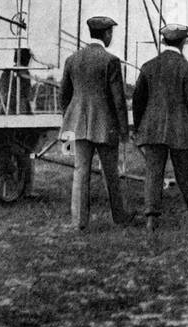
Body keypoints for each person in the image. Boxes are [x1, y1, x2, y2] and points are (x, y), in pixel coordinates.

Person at [132, 23, 188, 231]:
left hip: (152, 130)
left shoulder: (148, 67)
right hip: (181, 130)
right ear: (183, 42)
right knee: (186, 174)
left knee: (153, 173)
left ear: (163, 41)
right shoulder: (187, 69)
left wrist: (138, 128)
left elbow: (138, 101)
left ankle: (151, 218)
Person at [59, 16, 137, 230]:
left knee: (80, 171)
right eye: (111, 32)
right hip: (105, 125)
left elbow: (64, 96)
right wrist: (124, 131)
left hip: (76, 125)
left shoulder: (72, 59)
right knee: (110, 172)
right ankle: (119, 216)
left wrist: (69, 122)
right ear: (107, 34)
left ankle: (78, 222)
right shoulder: (110, 60)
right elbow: (118, 100)